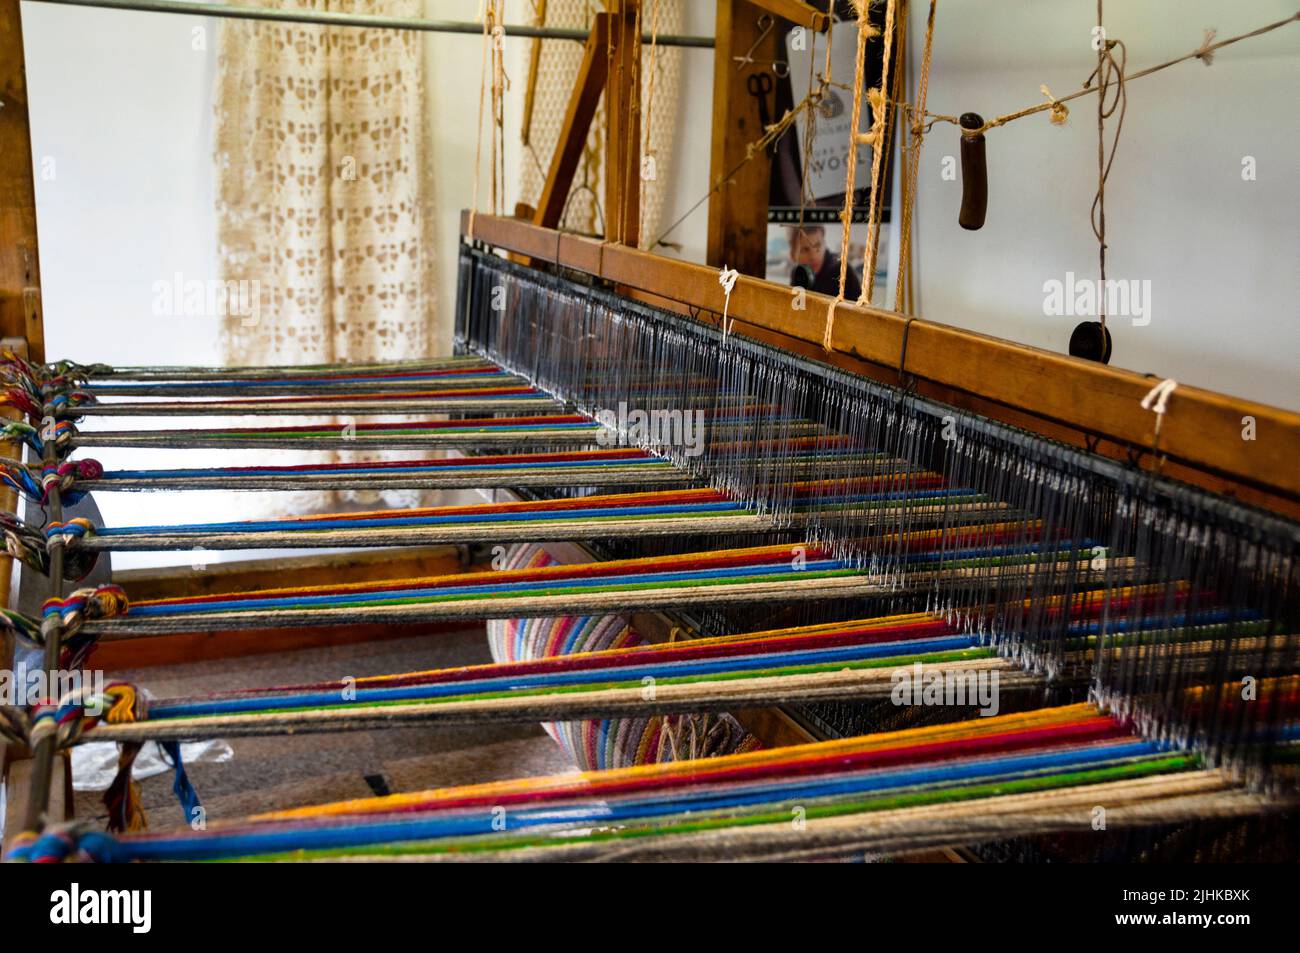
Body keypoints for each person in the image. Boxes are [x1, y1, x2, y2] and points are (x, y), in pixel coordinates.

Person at [787, 225, 863, 300]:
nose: (814, 256)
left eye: (818, 245)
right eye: (805, 250)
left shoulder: (843, 271)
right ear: (792, 255)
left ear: (824, 243)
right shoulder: (797, 272)